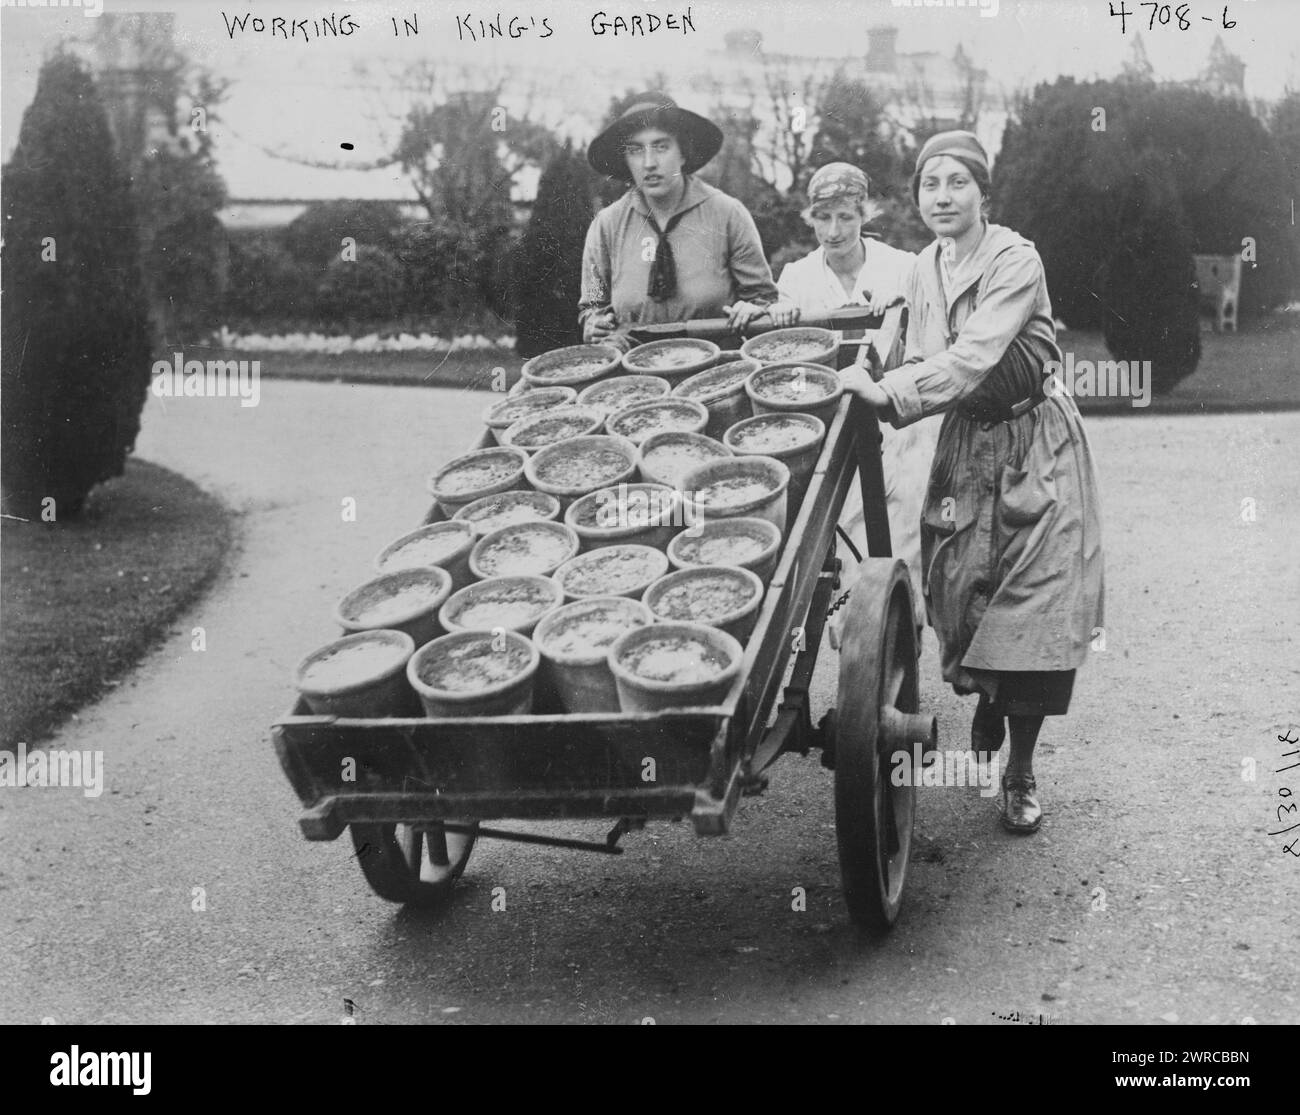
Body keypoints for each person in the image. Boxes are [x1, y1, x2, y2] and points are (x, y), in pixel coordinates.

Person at [839, 132, 1105, 834]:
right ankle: (992, 692)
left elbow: (972, 357)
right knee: (957, 596)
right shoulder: (924, 266)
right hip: (965, 447)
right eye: (931, 184)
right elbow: (901, 343)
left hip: (1034, 443)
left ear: (984, 194)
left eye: (958, 183)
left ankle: (1019, 771)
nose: (943, 197)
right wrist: (860, 364)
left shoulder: (1016, 259)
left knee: (1036, 607)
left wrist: (888, 391)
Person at [771, 162, 940, 641]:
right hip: (833, 425)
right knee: (844, 537)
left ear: (865, 214)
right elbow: (785, 367)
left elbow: (930, 349)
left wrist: (899, 310)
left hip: (896, 427)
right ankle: (860, 656)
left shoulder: (904, 267)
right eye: (822, 218)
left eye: (845, 216)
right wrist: (781, 316)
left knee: (901, 536)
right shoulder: (797, 277)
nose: (833, 231)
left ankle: (895, 653)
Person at [579, 92, 779, 347]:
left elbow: (763, 299)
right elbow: (593, 306)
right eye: (636, 150)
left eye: (661, 147)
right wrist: (593, 324)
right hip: (632, 372)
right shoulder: (607, 225)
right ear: (625, 160)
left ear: (683, 153)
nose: (649, 163)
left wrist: (752, 311)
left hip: (715, 368)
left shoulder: (727, 214)